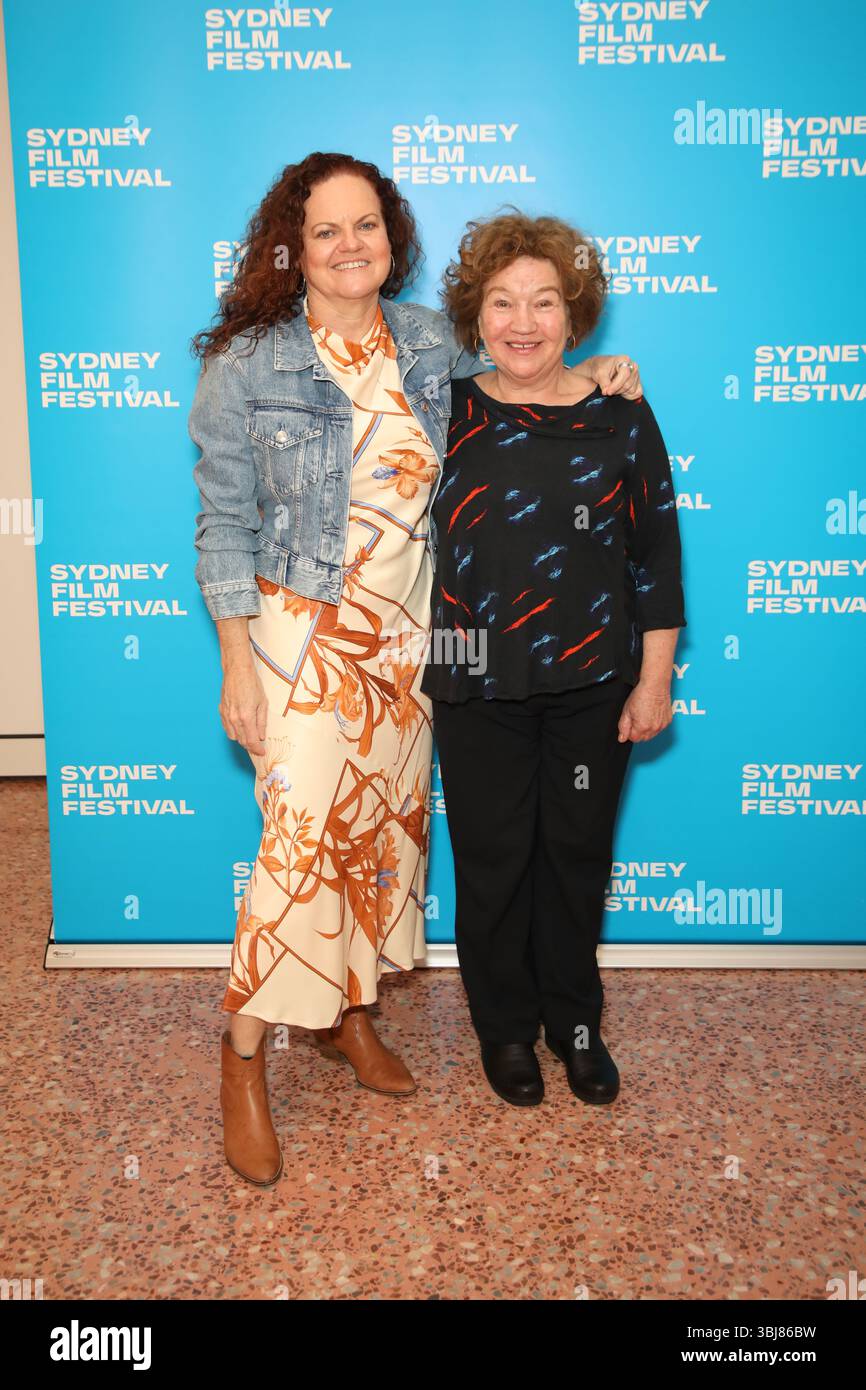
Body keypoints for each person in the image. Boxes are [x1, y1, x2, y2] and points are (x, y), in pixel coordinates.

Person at [188, 154, 643, 1185]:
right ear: (289, 249)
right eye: (326, 231)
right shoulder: (249, 363)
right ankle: (243, 1054)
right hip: (300, 632)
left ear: (389, 237)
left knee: (377, 839)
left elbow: (527, 370)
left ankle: (349, 1019)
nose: (350, 246)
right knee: (299, 846)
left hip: (414, 637)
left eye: (367, 226)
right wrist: (235, 666)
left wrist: (611, 375)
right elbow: (220, 524)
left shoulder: (428, 339)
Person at [421, 211, 686, 1108]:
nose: (522, 322)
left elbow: (656, 555)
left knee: (574, 861)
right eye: (502, 302)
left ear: (576, 317)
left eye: (544, 302)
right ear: (476, 315)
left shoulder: (622, 409)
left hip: (591, 676)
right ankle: (503, 1033)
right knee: (492, 863)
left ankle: (576, 1026)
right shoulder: (444, 405)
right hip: (469, 667)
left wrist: (654, 680)